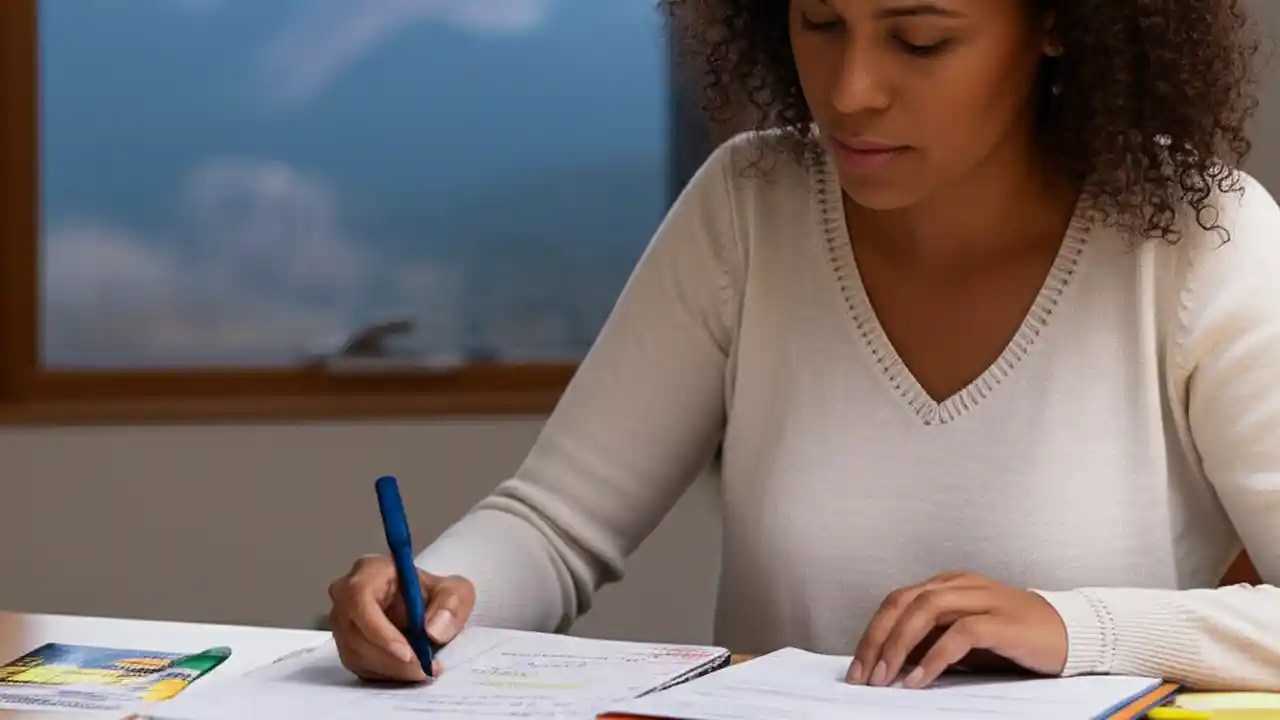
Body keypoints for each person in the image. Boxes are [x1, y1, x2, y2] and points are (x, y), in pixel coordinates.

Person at [328, 0, 1280, 691]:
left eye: (920, 38)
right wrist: (440, 596)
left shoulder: (1202, 238)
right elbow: (557, 526)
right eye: (819, 23)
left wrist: (1076, 626)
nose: (851, 91)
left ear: (1058, 23)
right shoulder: (750, 206)